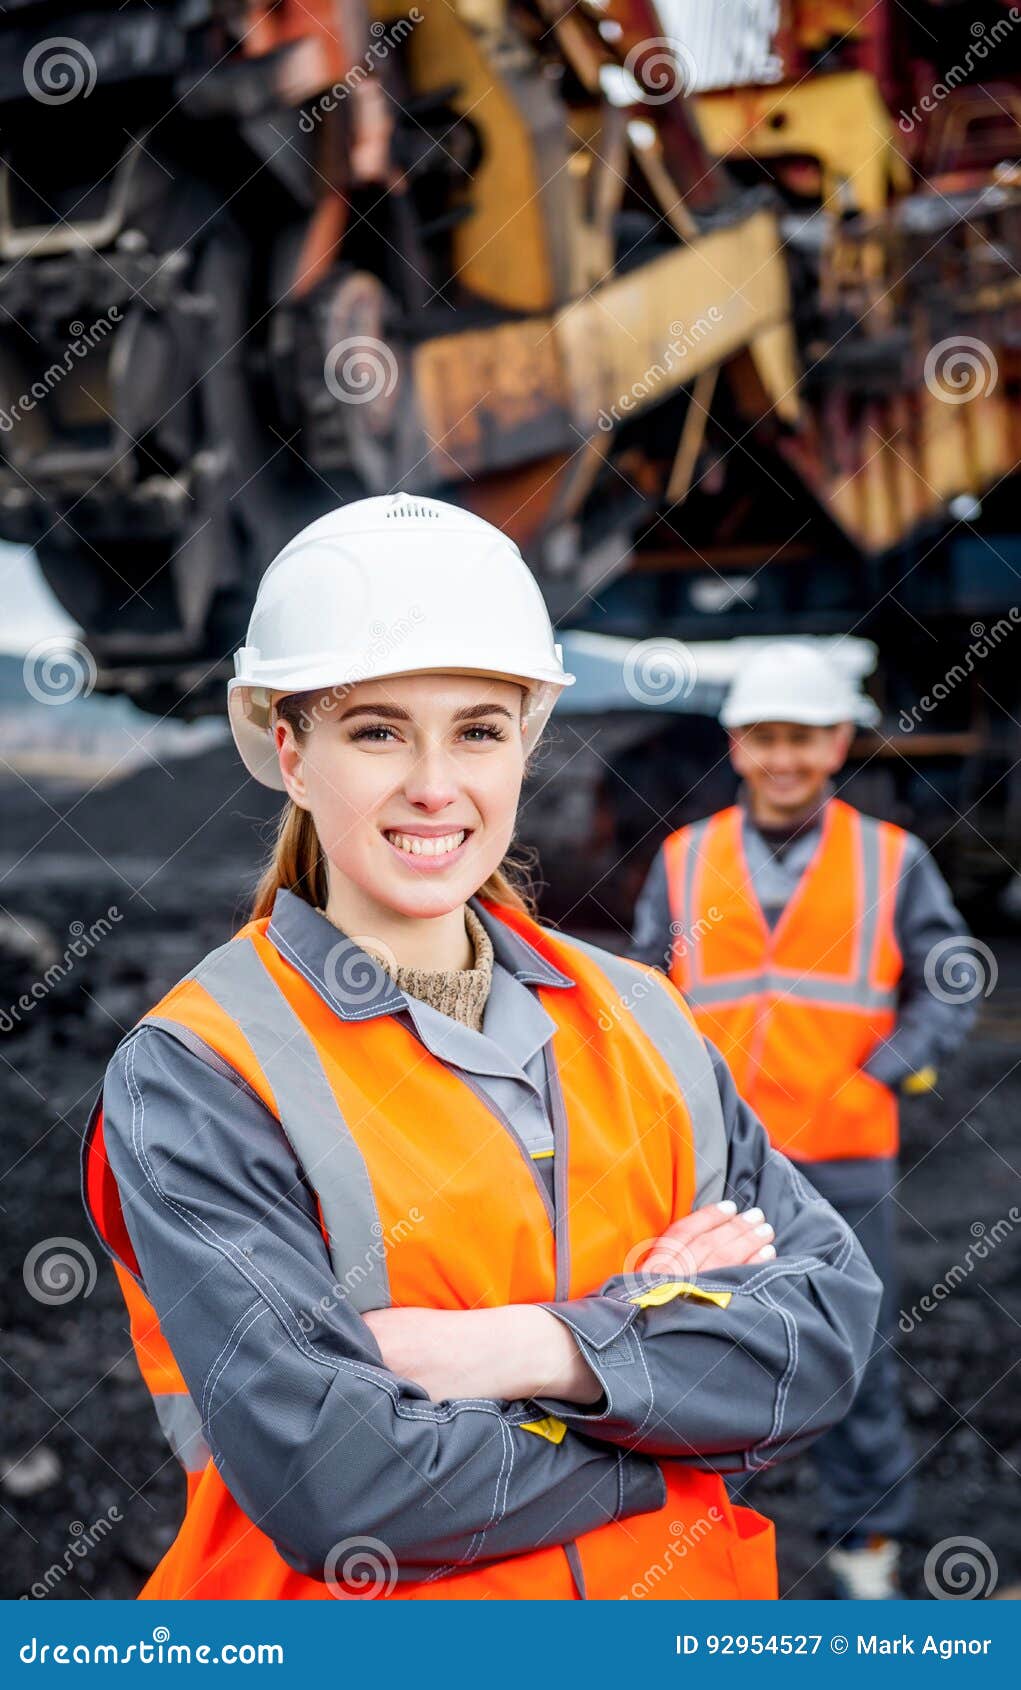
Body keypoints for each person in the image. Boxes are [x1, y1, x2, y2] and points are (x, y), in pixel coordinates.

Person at [82, 499, 881, 1602]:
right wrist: (662, 1416)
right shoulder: (200, 1070)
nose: (432, 783)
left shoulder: (642, 1017)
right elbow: (340, 1482)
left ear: (523, 745)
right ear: (290, 752)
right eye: (374, 730)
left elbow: (828, 1333)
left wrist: (513, 1351)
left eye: (477, 728)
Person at [631, 641, 979, 1598]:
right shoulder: (683, 856)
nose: (782, 757)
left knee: (853, 1360)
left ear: (836, 744)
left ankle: (867, 1549)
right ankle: (688, 1553)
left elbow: (948, 975)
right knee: (692, 1348)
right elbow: (648, 996)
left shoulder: (891, 861)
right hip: (715, 1168)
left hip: (841, 1157)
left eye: (803, 737)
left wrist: (891, 1069)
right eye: (763, 739)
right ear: (736, 747)